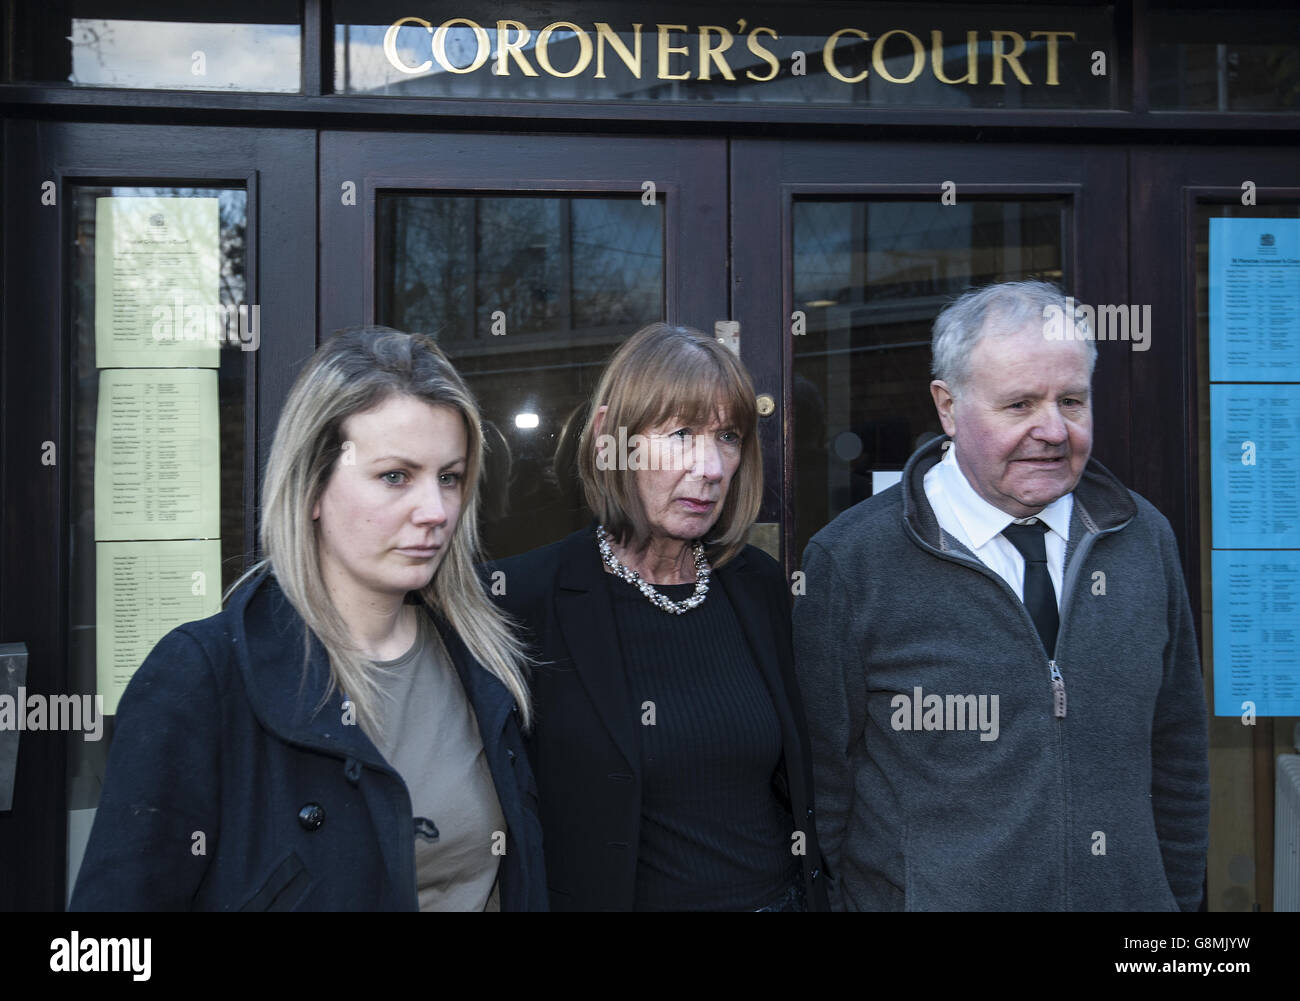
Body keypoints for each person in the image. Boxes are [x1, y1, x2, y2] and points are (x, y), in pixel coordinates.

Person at [71, 328, 547, 911]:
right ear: (312, 487)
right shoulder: (203, 676)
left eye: (448, 478)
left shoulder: (483, 660)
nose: (435, 512)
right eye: (395, 476)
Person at [794, 281, 1210, 911]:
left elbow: (1178, 752)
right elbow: (822, 787)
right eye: (1019, 405)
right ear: (948, 406)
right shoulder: (853, 562)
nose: (1052, 429)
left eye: (1071, 401)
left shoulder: (1142, 538)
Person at [490, 323, 828, 911]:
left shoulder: (756, 587)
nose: (713, 467)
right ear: (608, 439)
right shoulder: (523, 599)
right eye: (682, 434)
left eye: (727, 437)